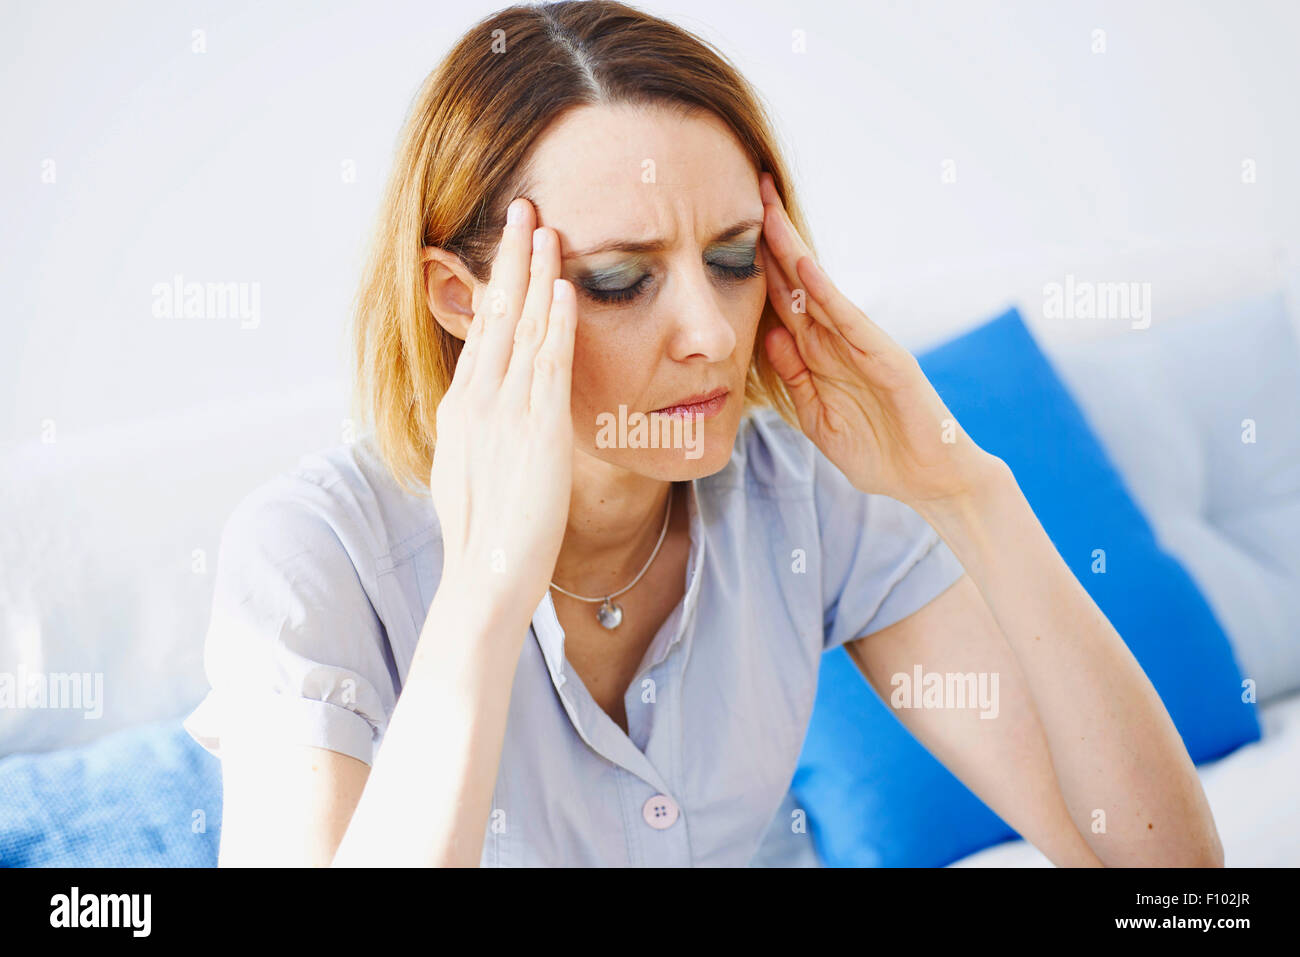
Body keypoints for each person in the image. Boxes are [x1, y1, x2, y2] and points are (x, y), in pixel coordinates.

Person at [183, 0, 1222, 867]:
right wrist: (484, 598)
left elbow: (1168, 889)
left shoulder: (799, 493)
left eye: (732, 259)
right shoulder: (313, 555)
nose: (710, 333)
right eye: (620, 280)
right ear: (461, 298)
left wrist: (967, 493)